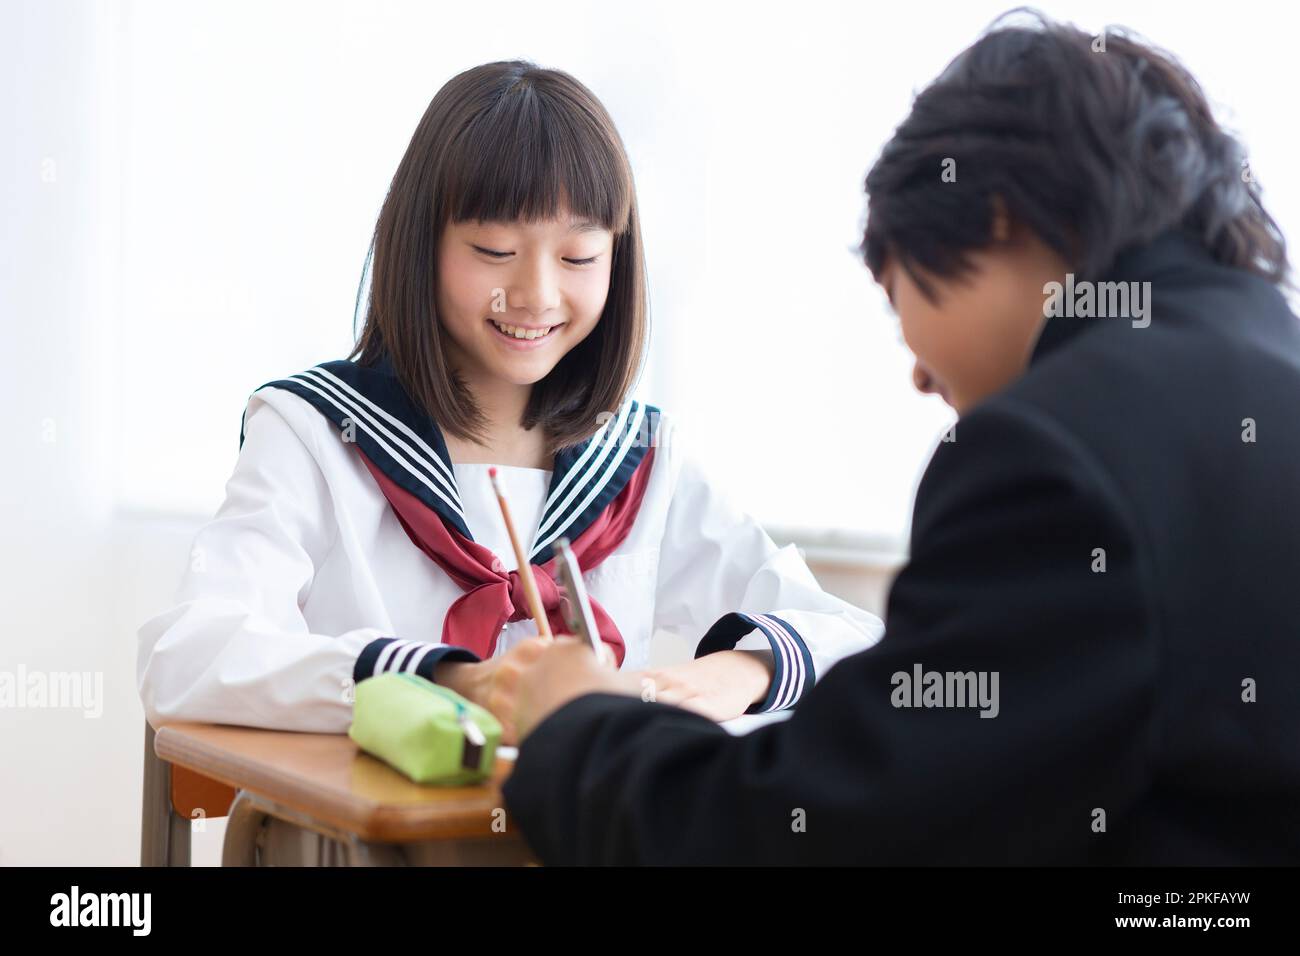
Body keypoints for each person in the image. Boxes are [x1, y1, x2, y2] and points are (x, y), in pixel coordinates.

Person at [499, 15, 1300, 864]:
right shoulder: (1269, 365)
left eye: (896, 290)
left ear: (997, 218)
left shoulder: (1054, 455)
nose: (918, 373)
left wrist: (575, 726)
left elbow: (816, 831)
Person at [136, 60, 882, 744]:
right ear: (420, 243)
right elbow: (189, 655)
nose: (535, 294)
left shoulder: (639, 462)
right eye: (494, 251)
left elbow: (846, 632)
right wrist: (448, 680)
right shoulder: (316, 434)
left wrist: (727, 673)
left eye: (579, 256)